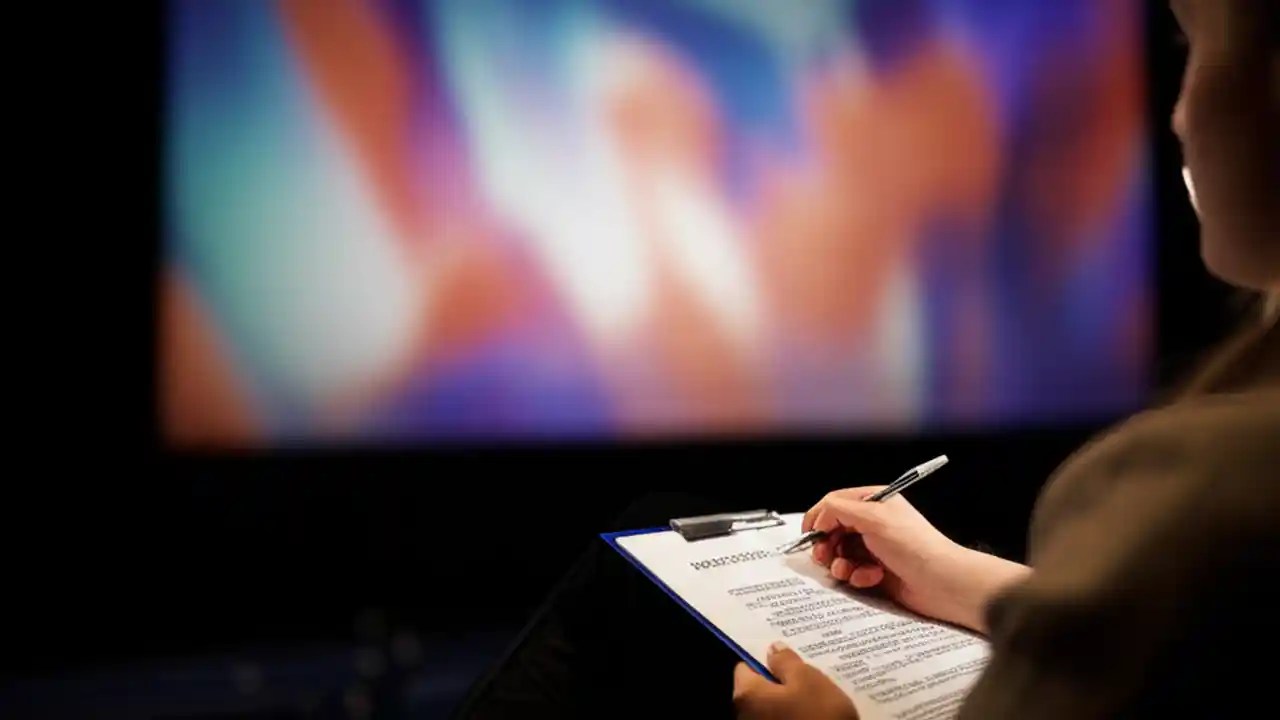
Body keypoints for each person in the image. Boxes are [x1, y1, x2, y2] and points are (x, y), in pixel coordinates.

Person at [454, 1, 1278, 717]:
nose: (1174, 115)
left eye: (1194, 47)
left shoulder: (1195, 487)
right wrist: (958, 576)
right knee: (666, 516)